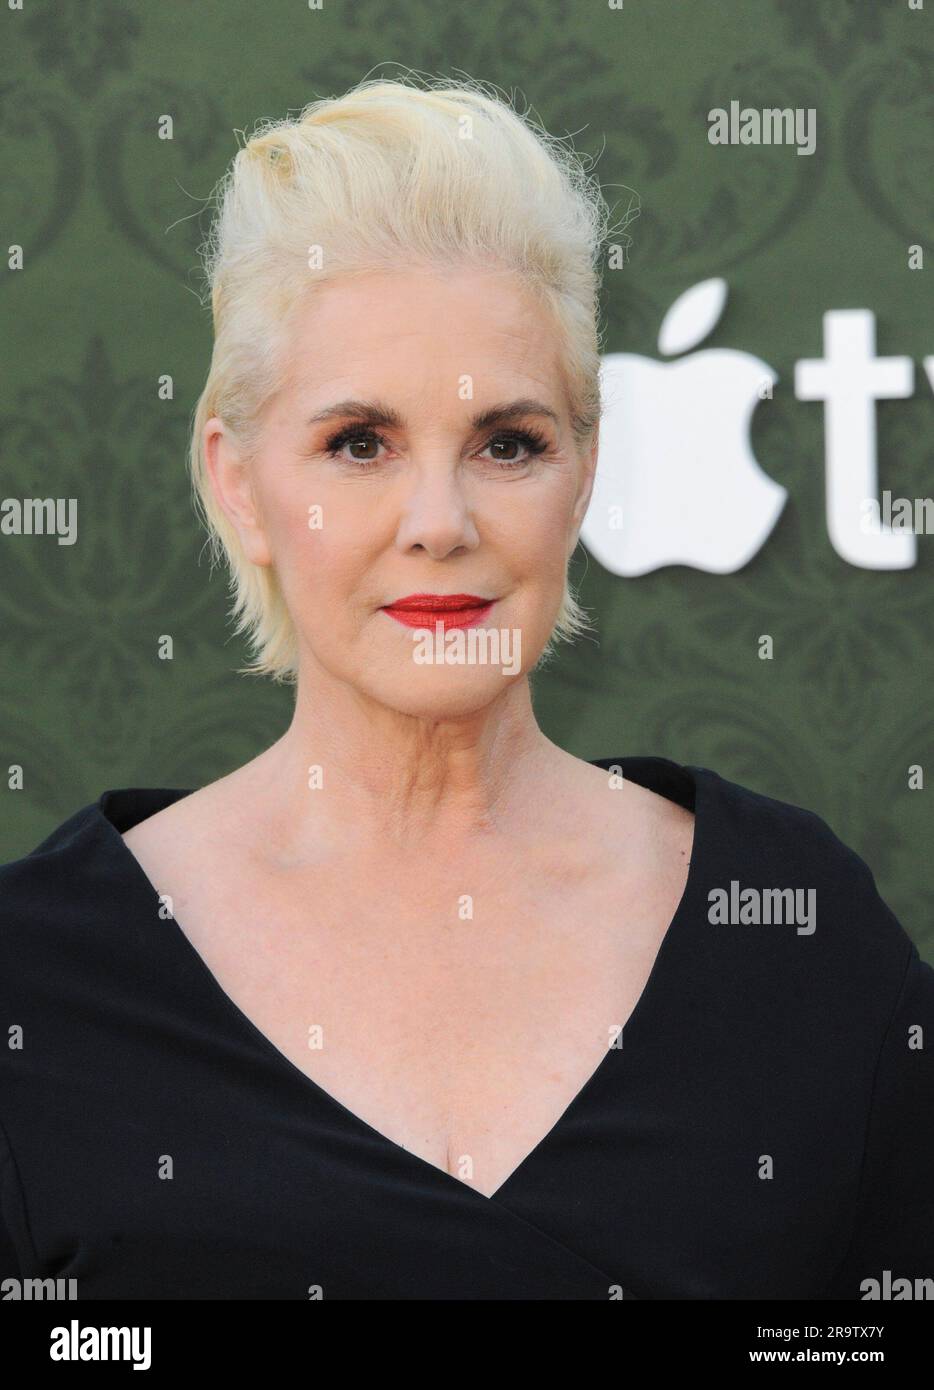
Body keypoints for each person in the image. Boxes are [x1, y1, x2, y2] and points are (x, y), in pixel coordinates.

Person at [1, 74, 932, 1301]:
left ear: (584, 473)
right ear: (237, 482)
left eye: (508, 443)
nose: (438, 523)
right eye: (358, 443)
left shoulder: (793, 926)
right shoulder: (40, 980)